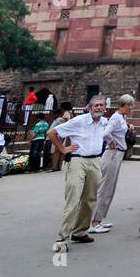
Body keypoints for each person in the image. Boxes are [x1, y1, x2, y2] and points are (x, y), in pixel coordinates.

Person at [48, 95, 109, 251]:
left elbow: (110, 132)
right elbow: (52, 133)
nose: (99, 108)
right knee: (73, 199)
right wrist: (63, 149)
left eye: (102, 105)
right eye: (96, 105)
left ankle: (80, 231)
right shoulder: (78, 121)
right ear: (89, 107)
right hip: (78, 160)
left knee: (90, 199)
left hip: (95, 161)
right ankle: (62, 237)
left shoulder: (103, 122)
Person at [90, 94, 134, 234]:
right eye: (130, 105)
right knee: (104, 188)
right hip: (112, 154)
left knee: (110, 188)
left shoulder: (122, 117)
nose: (131, 108)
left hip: (118, 154)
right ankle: (94, 221)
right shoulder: (116, 117)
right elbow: (105, 133)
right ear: (125, 105)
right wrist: (111, 141)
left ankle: (99, 218)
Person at [50, 102, 73, 172]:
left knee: (56, 150)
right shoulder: (71, 113)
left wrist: (61, 120)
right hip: (66, 134)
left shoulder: (66, 113)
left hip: (61, 134)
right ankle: (59, 166)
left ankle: (54, 166)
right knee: (62, 150)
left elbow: (67, 119)